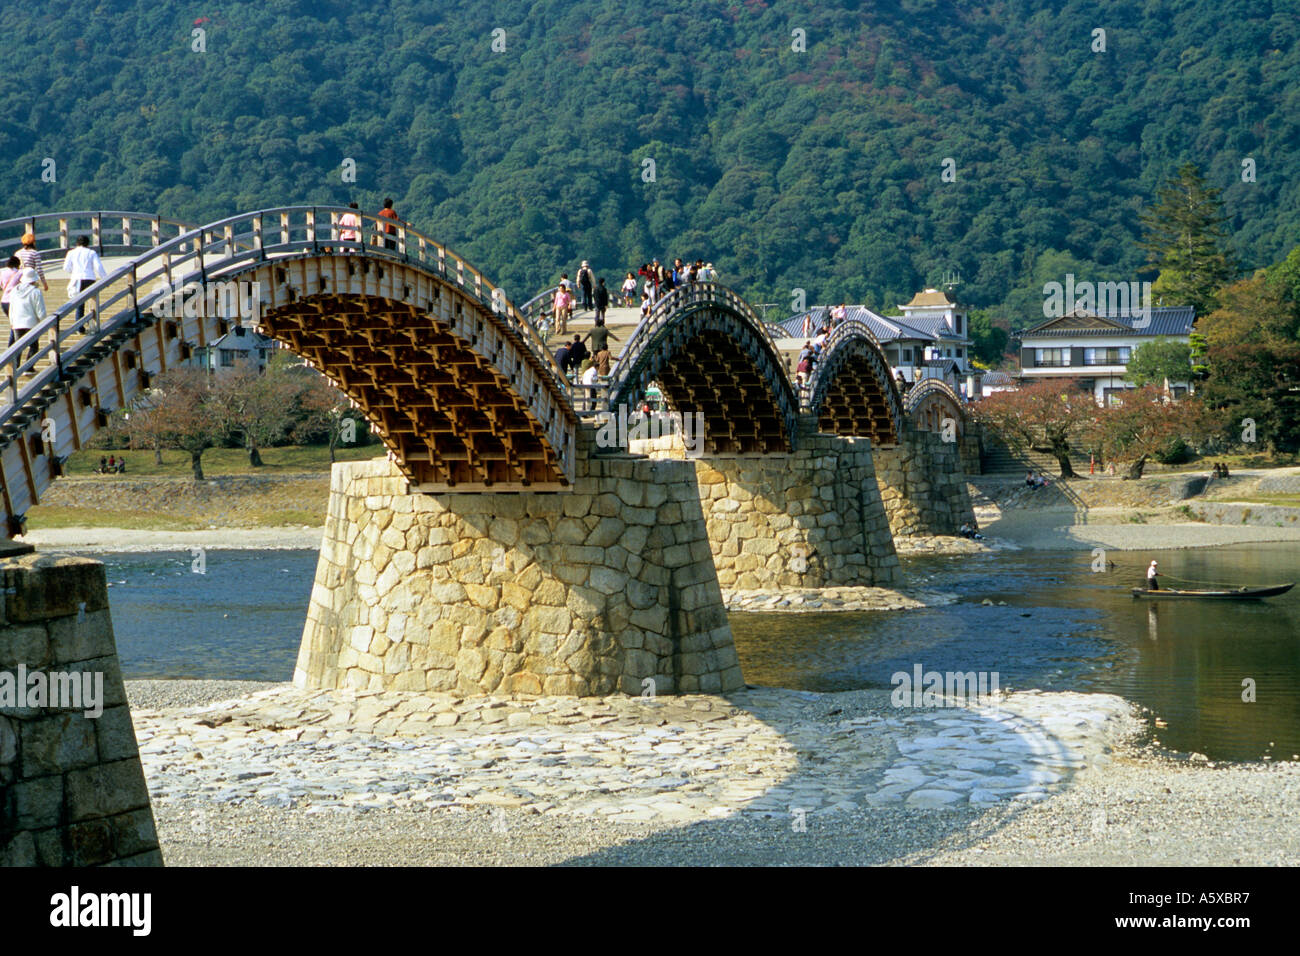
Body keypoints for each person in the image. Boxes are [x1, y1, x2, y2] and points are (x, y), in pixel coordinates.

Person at [62, 235, 107, 321]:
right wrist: (105, 278)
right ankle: (93, 323)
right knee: (93, 300)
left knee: (80, 303)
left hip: (77, 279)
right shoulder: (91, 252)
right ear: (87, 243)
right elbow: (98, 267)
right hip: (89, 278)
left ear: (77, 243)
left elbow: (66, 268)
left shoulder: (71, 253)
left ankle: (79, 326)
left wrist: (74, 271)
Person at [8, 268, 47, 364]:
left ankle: (15, 369)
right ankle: (29, 367)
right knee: (34, 346)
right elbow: (40, 310)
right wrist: (44, 321)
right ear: (34, 280)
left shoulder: (14, 291)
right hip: (31, 323)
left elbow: (11, 308)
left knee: (18, 348)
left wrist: (12, 322)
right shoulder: (36, 292)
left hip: (17, 322)